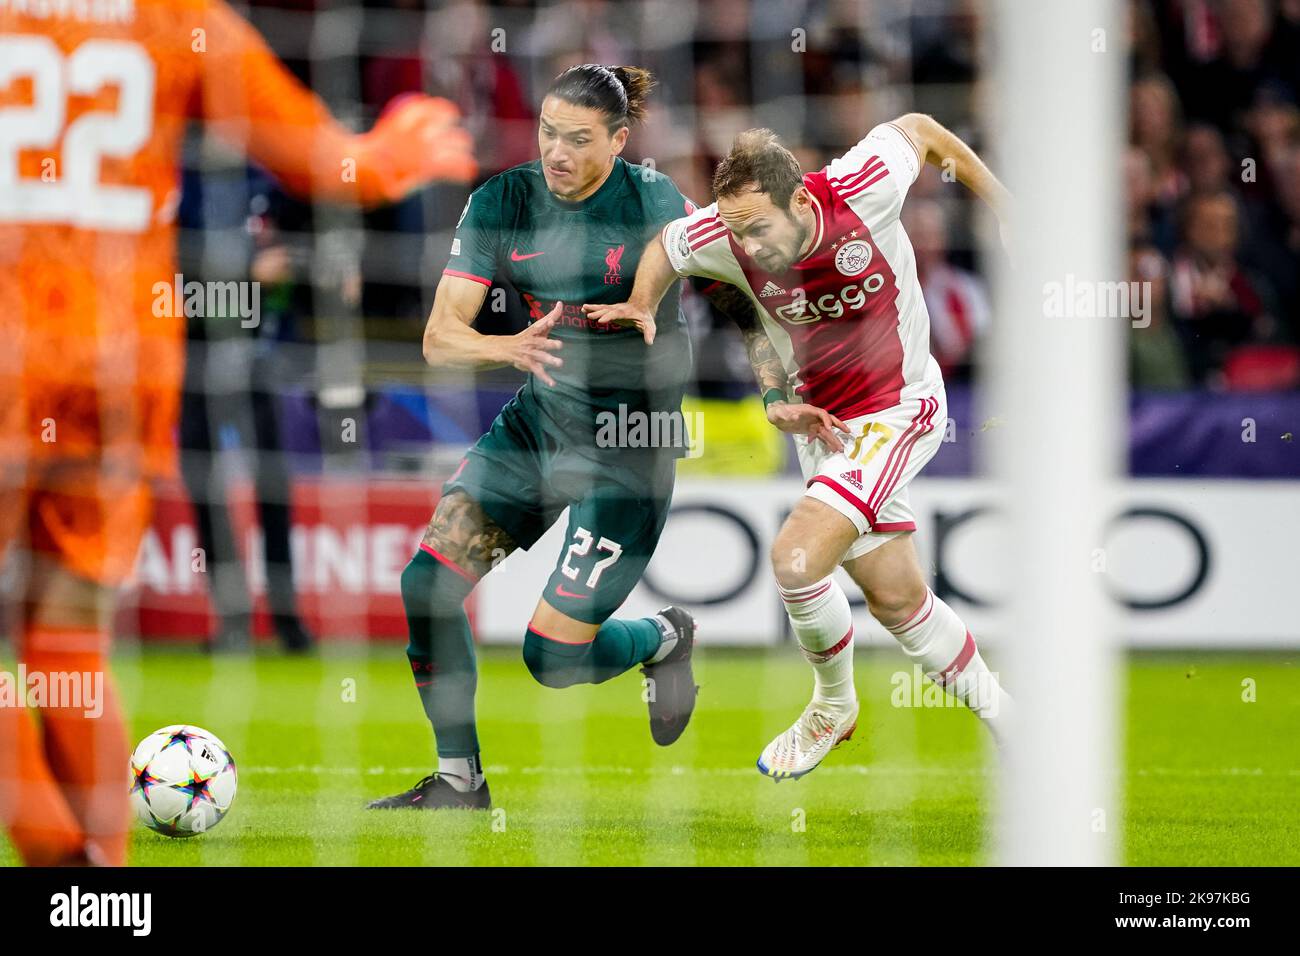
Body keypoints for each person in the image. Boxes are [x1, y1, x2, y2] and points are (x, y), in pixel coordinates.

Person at [0, 0, 475, 866]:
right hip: (116, 360)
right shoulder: (177, 16)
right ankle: (96, 877)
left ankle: (50, 846)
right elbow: (337, 167)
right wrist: (398, 143)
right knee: (68, 635)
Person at [368, 65, 760, 812]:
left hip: (629, 448)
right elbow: (441, 336)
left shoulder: (656, 204)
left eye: (578, 140)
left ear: (619, 141)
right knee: (426, 584)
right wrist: (506, 348)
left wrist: (777, 390)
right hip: (538, 426)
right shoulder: (502, 202)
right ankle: (460, 783)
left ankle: (662, 639)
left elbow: (738, 296)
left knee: (551, 659)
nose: (556, 151)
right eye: (548, 132)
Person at [586, 116, 1016, 780]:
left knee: (794, 560)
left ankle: (833, 706)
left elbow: (924, 129)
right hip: (826, 428)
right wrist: (643, 303)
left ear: (805, 203)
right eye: (735, 232)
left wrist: (1003, 204)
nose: (746, 246)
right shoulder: (725, 234)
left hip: (899, 409)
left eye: (759, 230)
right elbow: (668, 245)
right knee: (898, 600)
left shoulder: (863, 183)